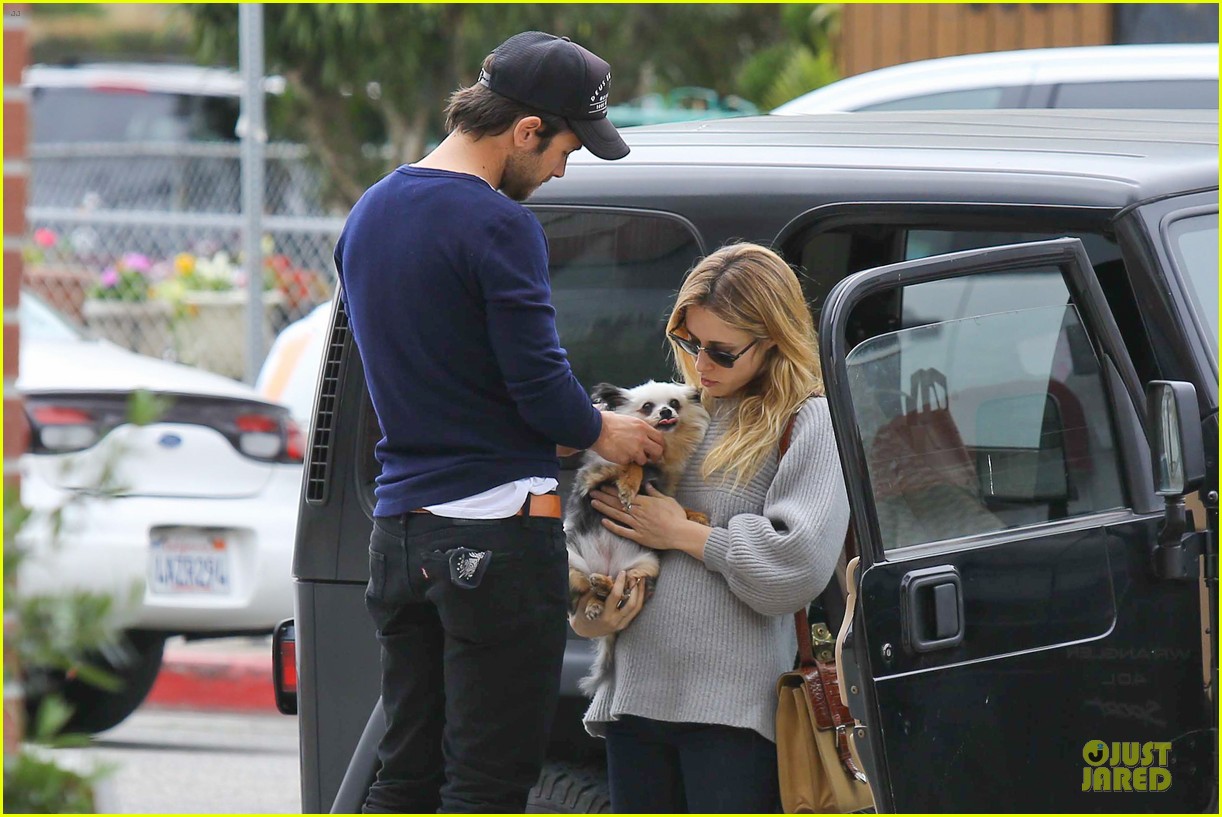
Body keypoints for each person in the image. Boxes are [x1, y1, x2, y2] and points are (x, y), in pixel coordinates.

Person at [334, 31, 663, 814]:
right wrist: (602, 429)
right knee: (487, 784)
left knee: (404, 774)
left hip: (399, 535)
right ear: (525, 129)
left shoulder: (371, 211)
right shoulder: (498, 223)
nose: (559, 170)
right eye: (564, 149)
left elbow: (429, 374)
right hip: (495, 534)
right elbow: (541, 387)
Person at [571, 242, 852, 813]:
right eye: (691, 344)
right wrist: (588, 613)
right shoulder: (667, 408)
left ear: (773, 338)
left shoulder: (807, 420)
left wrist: (683, 532)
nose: (702, 366)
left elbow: (796, 567)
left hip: (732, 715)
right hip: (633, 700)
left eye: (721, 351)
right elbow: (595, 529)